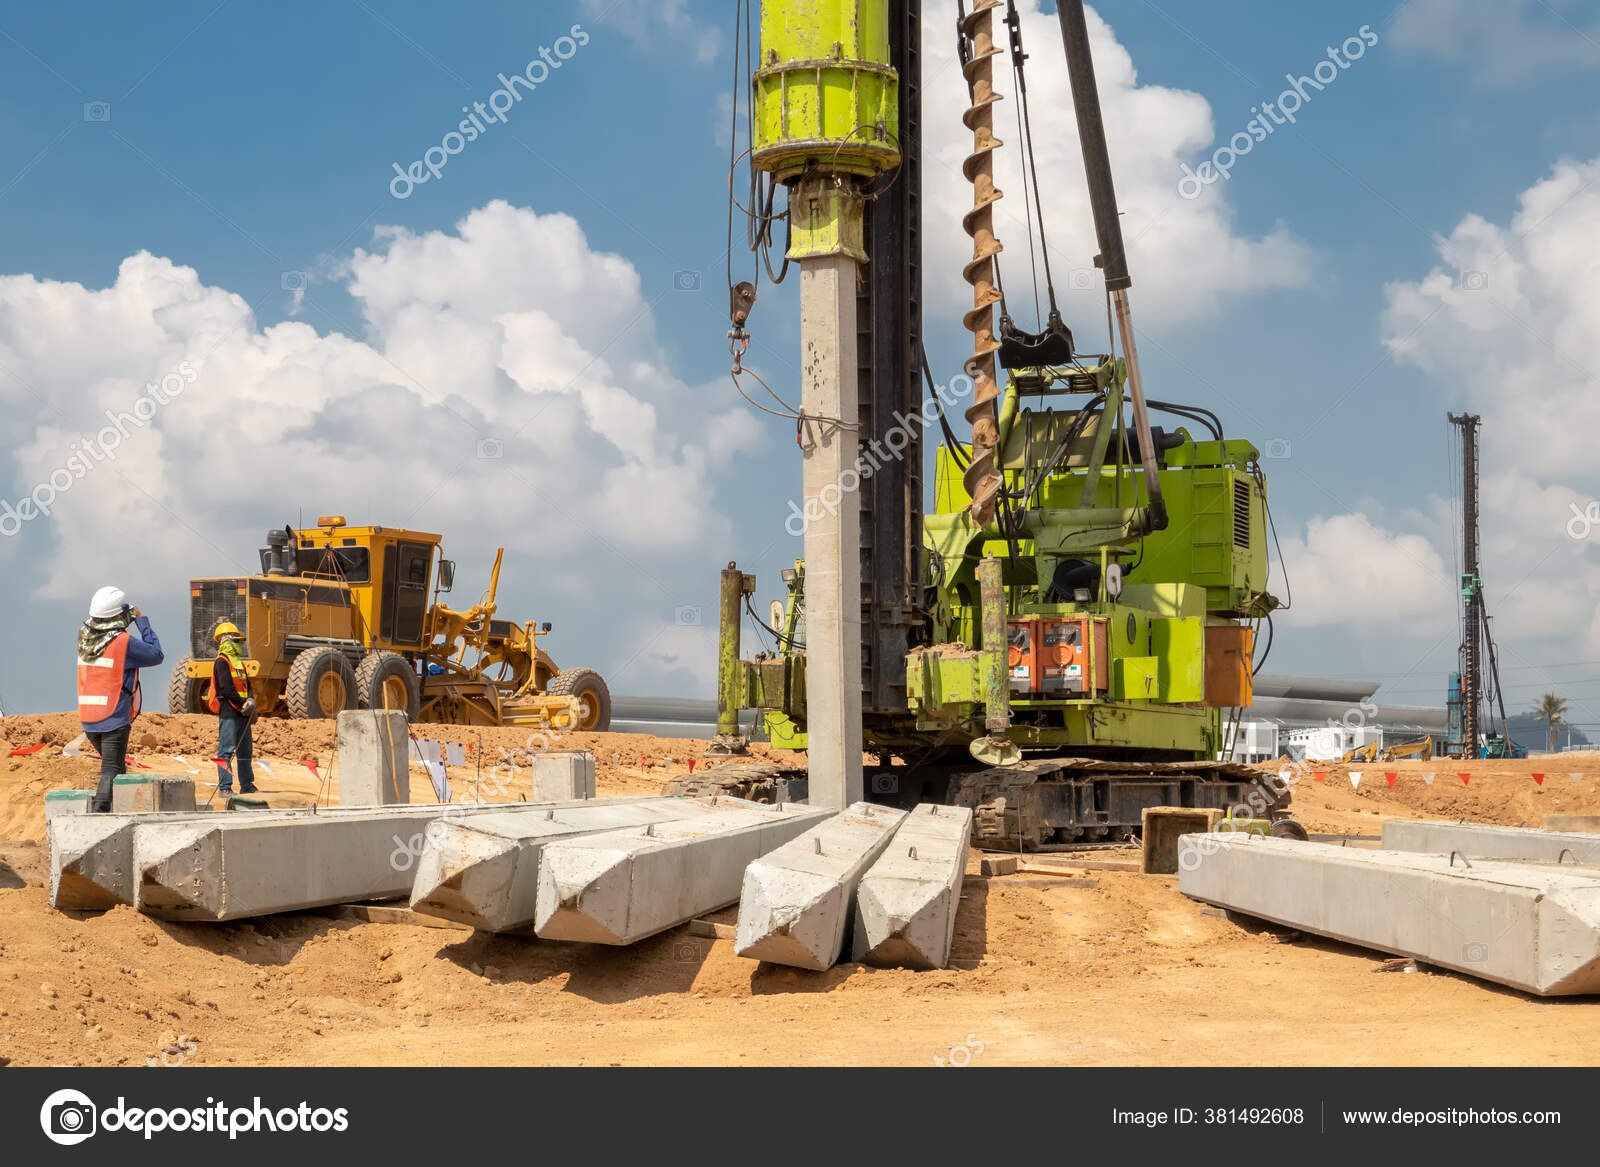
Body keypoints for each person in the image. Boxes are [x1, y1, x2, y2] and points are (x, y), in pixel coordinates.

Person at [76, 586, 164, 813]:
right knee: (111, 769)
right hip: (113, 717)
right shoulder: (123, 643)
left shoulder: (84, 638)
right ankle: (99, 813)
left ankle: (116, 811)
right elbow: (156, 655)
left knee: (116, 769)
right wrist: (142, 621)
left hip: (89, 720)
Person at [208, 622, 258, 797]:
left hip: (243, 713)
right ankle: (225, 788)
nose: (239, 644)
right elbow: (226, 689)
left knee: (245, 751)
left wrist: (250, 701)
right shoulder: (222, 662)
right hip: (230, 712)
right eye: (236, 640)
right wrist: (243, 703)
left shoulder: (239, 664)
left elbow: (247, 685)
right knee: (226, 751)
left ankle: (247, 785)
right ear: (226, 641)